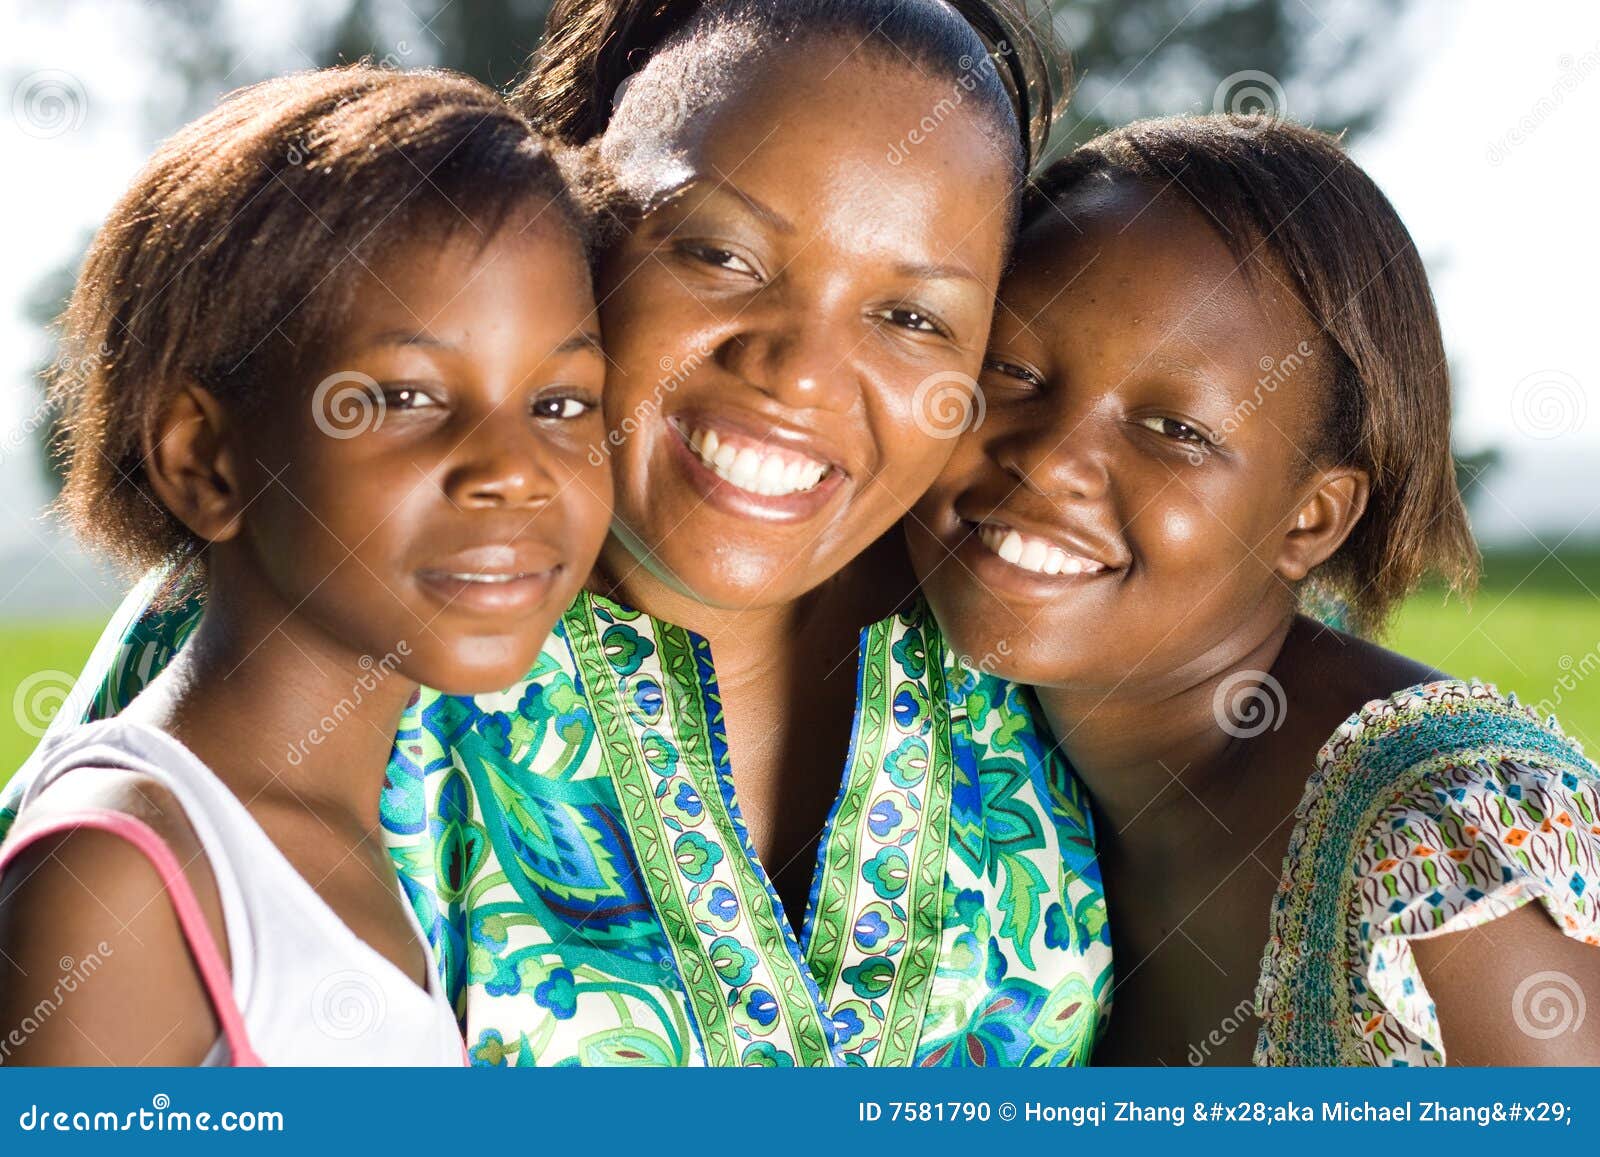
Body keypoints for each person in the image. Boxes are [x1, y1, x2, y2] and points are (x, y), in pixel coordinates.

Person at [2, 0, 1113, 1068]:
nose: (800, 373)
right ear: (570, 212)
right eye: (719, 253)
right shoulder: (319, 602)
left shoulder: (1030, 640)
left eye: (913, 316)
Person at [906, 113, 1600, 1066]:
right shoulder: (957, 727)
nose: (1050, 460)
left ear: (1309, 520)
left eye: (1174, 430)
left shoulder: (1437, 863)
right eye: (1013, 371)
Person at [0, 64, 613, 1065]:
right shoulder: (121, 879)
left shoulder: (350, 844)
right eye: (406, 396)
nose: (514, 470)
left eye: (560, 403)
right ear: (205, 460)